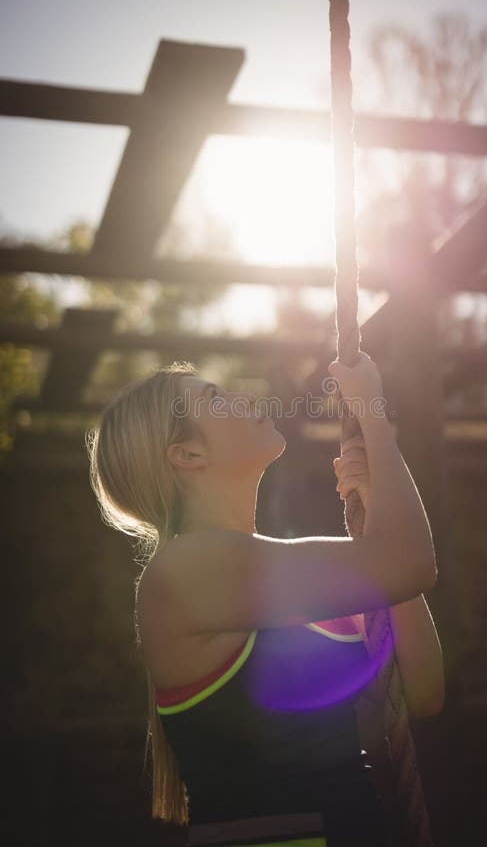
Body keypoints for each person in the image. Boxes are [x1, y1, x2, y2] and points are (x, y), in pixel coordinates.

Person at [86, 352, 443, 847]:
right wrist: (373, 415)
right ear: (187, 455)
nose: (244, 398)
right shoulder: (185, 569)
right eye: (216, 398)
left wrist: (377, 509)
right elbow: (410, 562)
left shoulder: (278, 575)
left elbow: (423, 690)